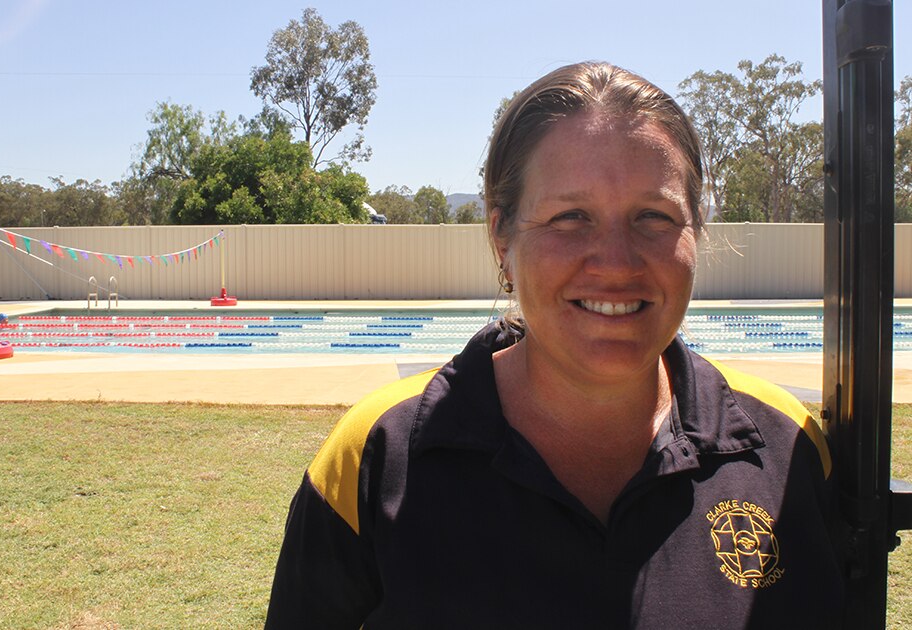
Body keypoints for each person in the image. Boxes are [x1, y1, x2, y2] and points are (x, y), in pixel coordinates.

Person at [265, 62, 845, 629]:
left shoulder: (787, 449)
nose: (616, 263)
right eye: (570, 217)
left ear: (697, 230)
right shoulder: (375, 457)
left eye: (654, 215)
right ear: (501, 237)